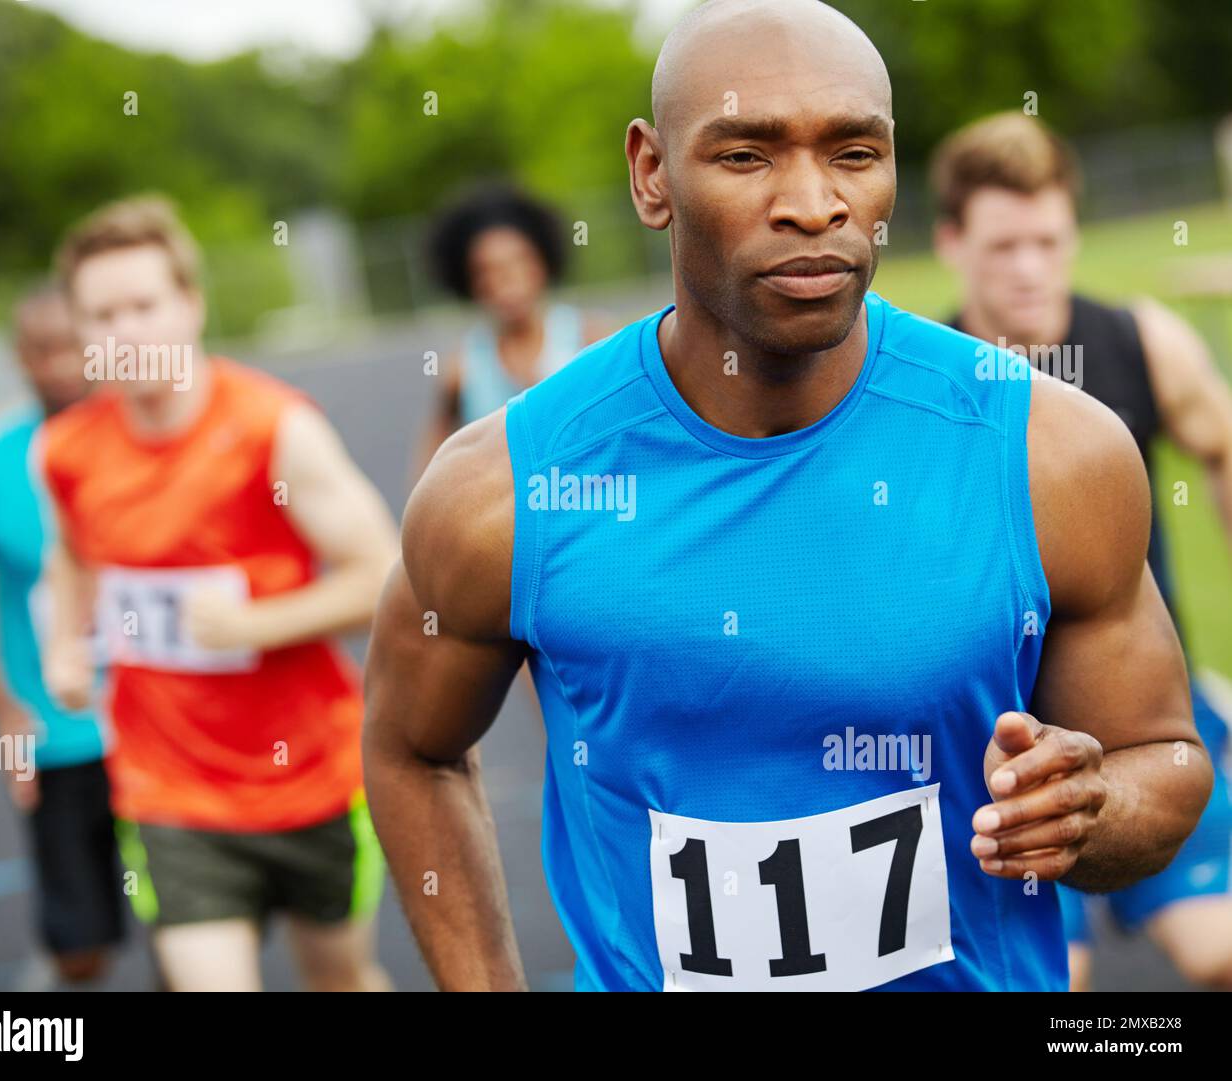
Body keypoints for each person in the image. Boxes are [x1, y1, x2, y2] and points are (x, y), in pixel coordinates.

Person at [361, 0, 1210, 991]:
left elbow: (1165, 758)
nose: (814, 202)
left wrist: (1091, 807)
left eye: (853, 152)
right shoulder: (503, 489)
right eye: (746, 155)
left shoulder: (1050, 453)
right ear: (650, 175)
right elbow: (407, 746)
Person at [39, 196, 400, 992]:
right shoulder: (66, 452)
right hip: (169, 792)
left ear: (191, 305)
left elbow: (383, 575)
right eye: (101, 314)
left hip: (309, 776)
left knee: (342, 980)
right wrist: (64, 643)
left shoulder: (274, 429)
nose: (125, 331)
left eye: (143, 305)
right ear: (80, 330)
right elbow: (70, 556)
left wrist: (252, 622)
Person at [931, 111, 1232, 992]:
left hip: (1151, 716)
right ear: (951, 241)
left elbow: (1220, 447)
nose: (1029, 269)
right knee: (1055, 986)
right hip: (1002, 748)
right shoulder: (924, 387)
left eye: (1047, 241)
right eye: (1003, 246)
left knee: (1221, 954)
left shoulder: (1142, 342)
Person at [0, 285, 123, 985]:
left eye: (75, 345)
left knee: (194, 931)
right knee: (79, 948)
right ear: (19, 358)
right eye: (44, 350)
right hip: (59, 739)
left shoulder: (154, 442)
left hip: (162, 732)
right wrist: (3, 707)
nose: (63, 365)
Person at [414, 183, 613, 474]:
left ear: (541, 264)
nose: (505, 282)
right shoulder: (462, 369)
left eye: (517, 264)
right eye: (487, 271)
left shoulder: (592, 341)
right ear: (471, 282)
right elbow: (430, 467)